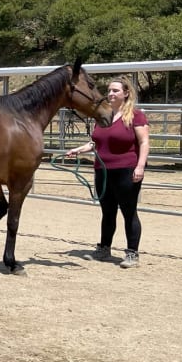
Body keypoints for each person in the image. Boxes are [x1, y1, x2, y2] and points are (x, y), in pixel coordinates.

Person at [64, 78, 150, 269]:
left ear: (126, 93)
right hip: (102, 170)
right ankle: (104, 248)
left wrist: (140, 166)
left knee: (129, 212)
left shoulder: (136, 116)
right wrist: (78, 150)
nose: (110, 94)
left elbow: (144, 142)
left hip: (126, 170)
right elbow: (96, 143)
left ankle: (132, 253)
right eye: (109, 91)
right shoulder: (104, 116)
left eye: (115, 91)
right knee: (107, 212)